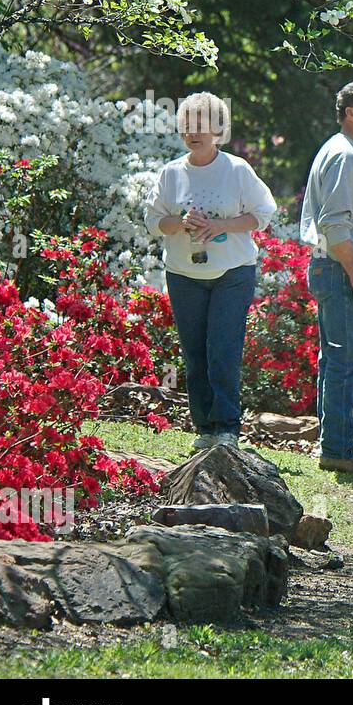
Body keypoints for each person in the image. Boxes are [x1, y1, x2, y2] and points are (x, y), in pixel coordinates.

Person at [145, 92, 277, 451]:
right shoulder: (171, 173)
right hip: (184, 275)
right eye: (187, 125)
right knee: (195, 353)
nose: (193, 132)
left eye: (202, 125)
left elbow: (263, 214)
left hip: (232, 274)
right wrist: (181, 222)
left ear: (219, 129)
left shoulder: (237, 170)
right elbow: (154, 221)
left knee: (223, 349)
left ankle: (227, 429)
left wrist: (222, 226)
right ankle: (204, 428)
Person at [299, 80, 353, 477]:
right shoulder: (345, 154)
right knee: (344, 361)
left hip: (334, 267)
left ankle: (334, 447)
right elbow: (334, 224)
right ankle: (337, 451)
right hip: (337, 268)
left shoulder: (348, 151)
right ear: (350, 113)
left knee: (336, 358)